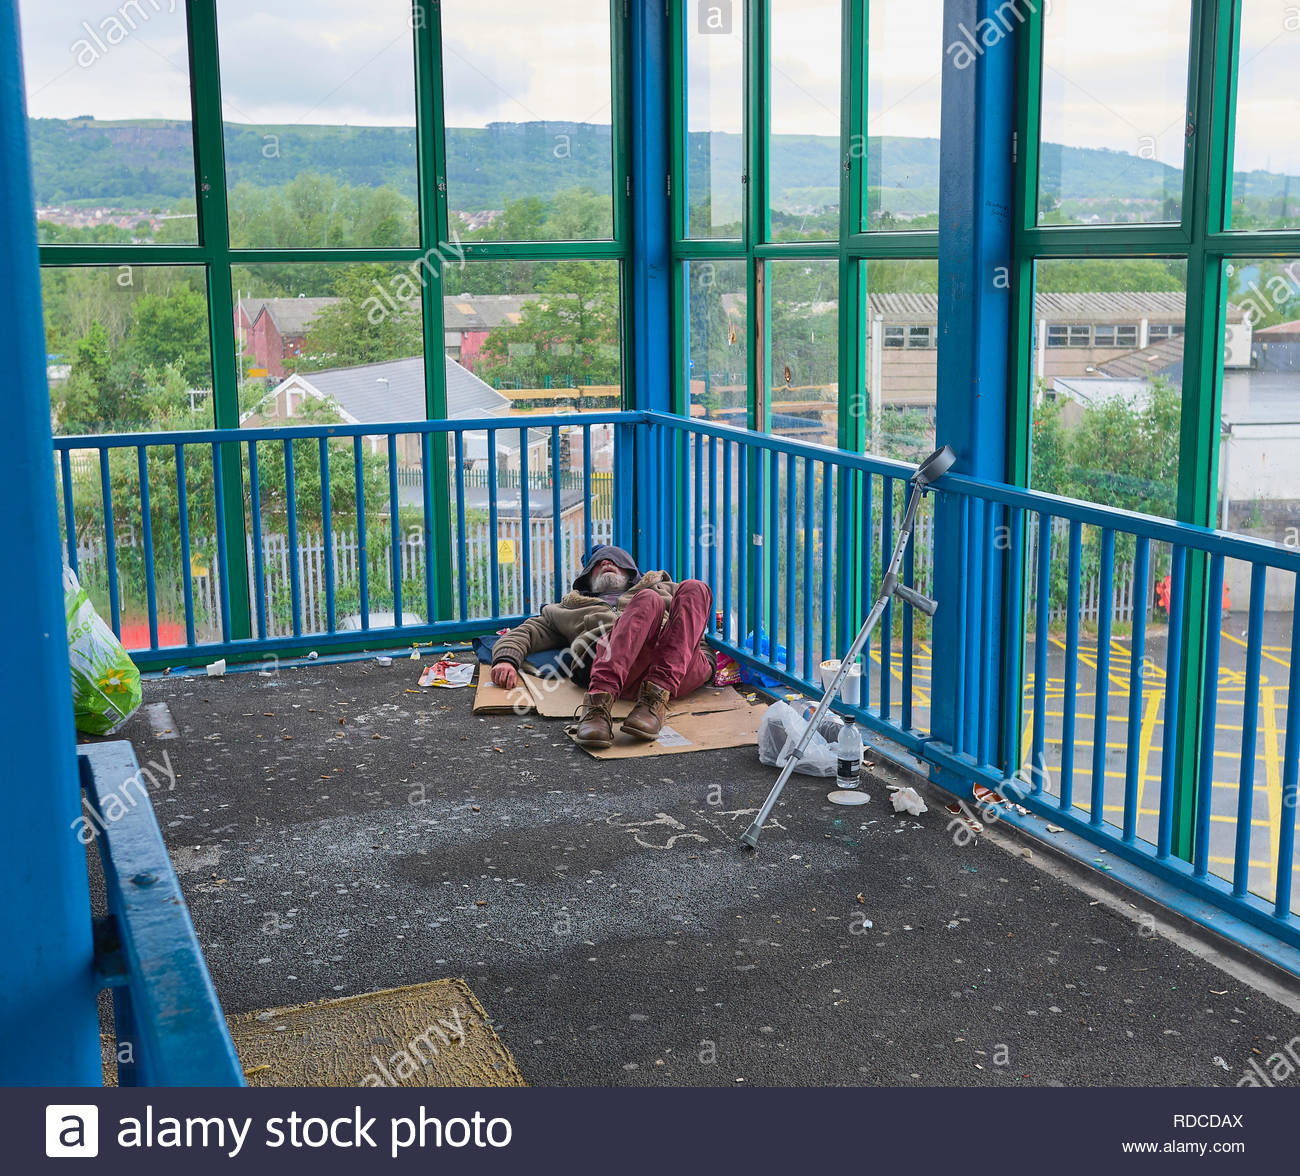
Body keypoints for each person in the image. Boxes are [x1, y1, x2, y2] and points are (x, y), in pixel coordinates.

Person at [490, 545, 716, 748]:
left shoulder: (664, 588)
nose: (606, 564)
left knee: (695, 588)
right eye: (598, 565)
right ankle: (597, 708)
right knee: (647, 601)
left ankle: (654, 701)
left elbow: (691, 626)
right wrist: (505, 660)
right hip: (621, 672)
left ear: (631, 572)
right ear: (587, 579)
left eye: (614, 561)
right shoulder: (565, 609)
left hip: (677, 669)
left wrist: (707, 658)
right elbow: (526, 632)